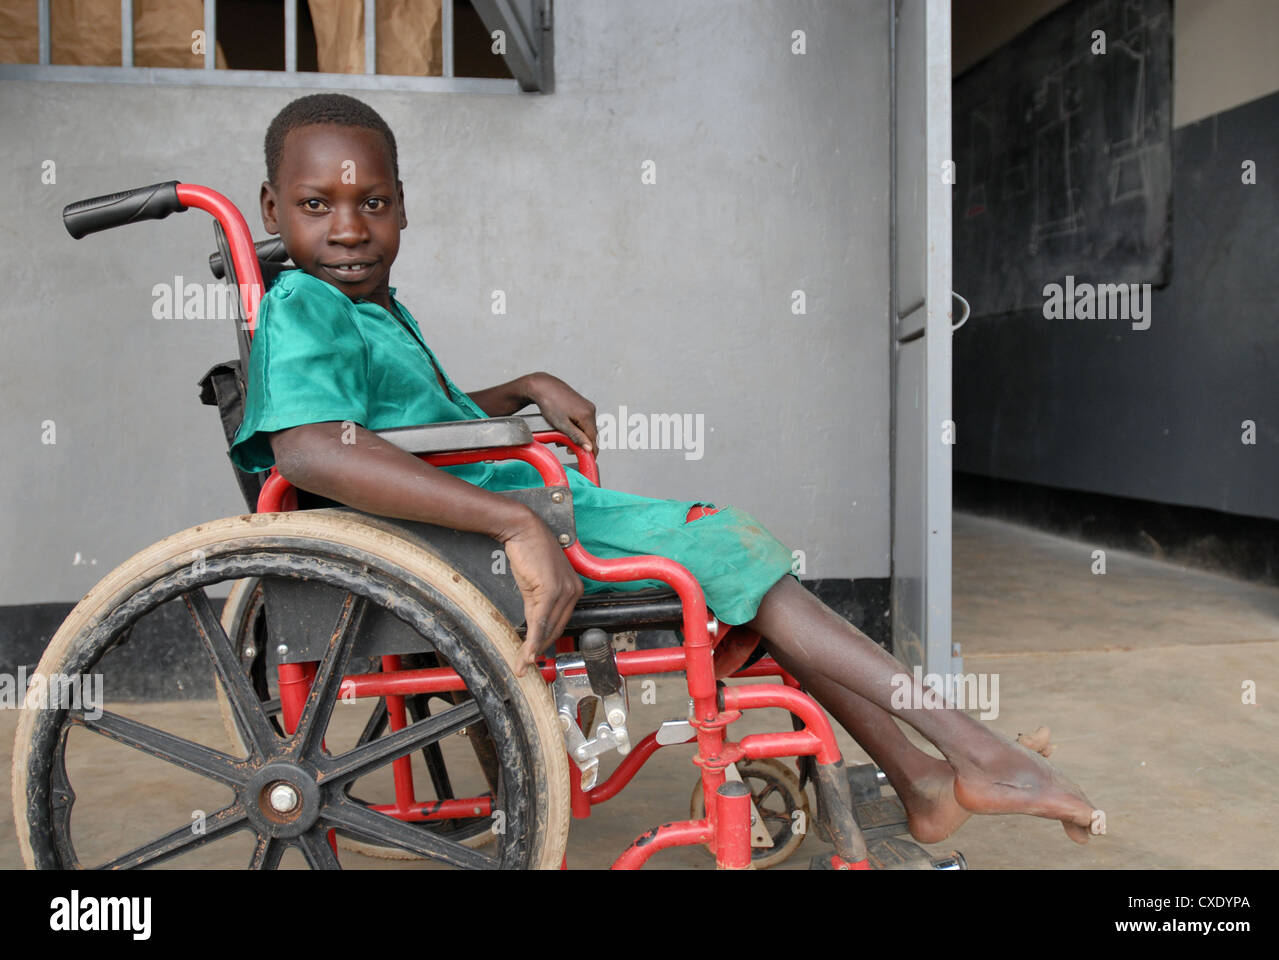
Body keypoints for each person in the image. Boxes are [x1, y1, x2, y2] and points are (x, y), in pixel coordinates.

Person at [231, 93, 1104, 846]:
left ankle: (925, 778)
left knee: (733, 557)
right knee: (730, 552)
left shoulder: (364, 305)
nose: (349, 227)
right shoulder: (307, 304)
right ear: (274, 208)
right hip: (466, 539)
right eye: (318, 204)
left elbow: (422, 424)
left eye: (373, 202)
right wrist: (514, 523)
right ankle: (976, 756)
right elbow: (311, 450)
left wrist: (523, 386)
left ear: (404, 208)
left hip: (498, 511)